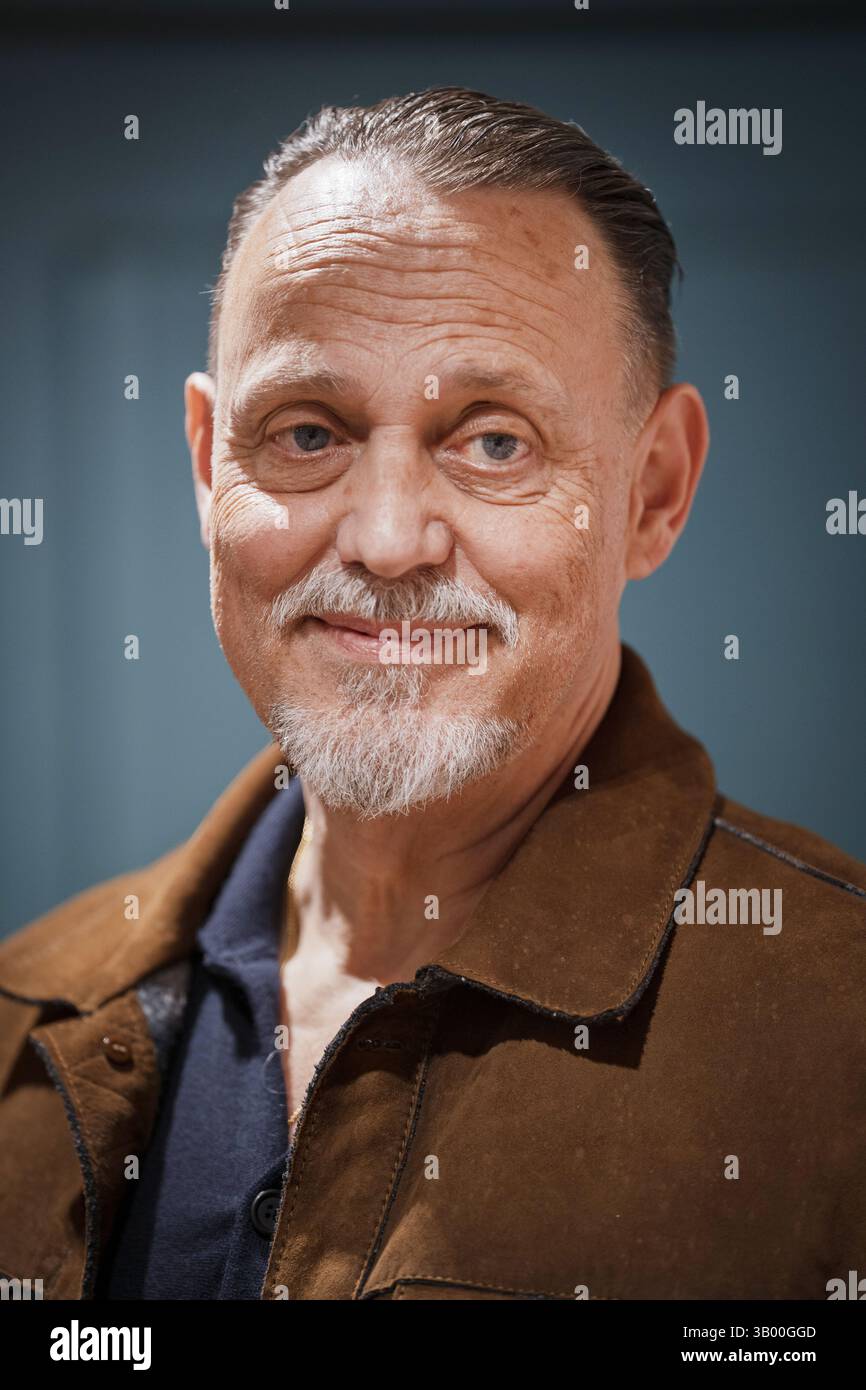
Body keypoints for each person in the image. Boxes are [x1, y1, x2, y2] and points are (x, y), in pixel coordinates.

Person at [1, 87, 863, 1302]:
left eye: (493, 440)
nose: (390, 538)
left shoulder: (840, 1033)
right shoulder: (24, 1006)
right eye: (306, 433)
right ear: (207, 468)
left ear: (652, 493)